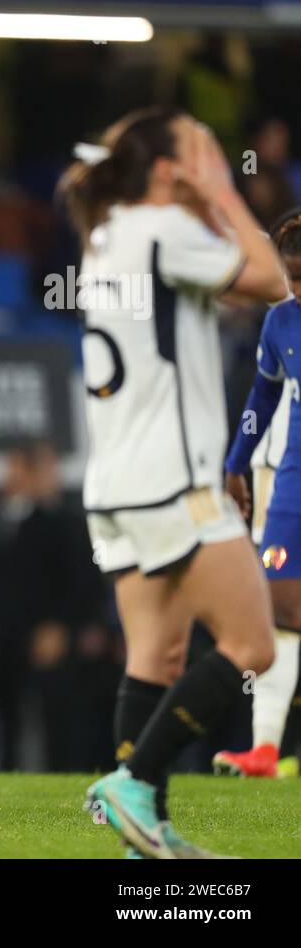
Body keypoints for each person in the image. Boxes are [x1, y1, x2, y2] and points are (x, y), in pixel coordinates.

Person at [60, 108, 289, 856]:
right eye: (202, 148)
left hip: (114, 487)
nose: (214, 157)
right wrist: (224, 191)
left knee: (155, 656)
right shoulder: (163, 228)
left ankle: (142, 833)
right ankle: (133, 782)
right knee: (252, 644)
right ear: (169, 167)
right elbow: (270, 280)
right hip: (174, 482)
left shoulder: (108, 234)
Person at [216, 207, 301, 778]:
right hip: (293, 486)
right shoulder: (280, 323)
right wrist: (235, 464)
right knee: (279, 608)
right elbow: (261, 402)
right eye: (290, 278)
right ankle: (265, 747)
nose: (296, 289)